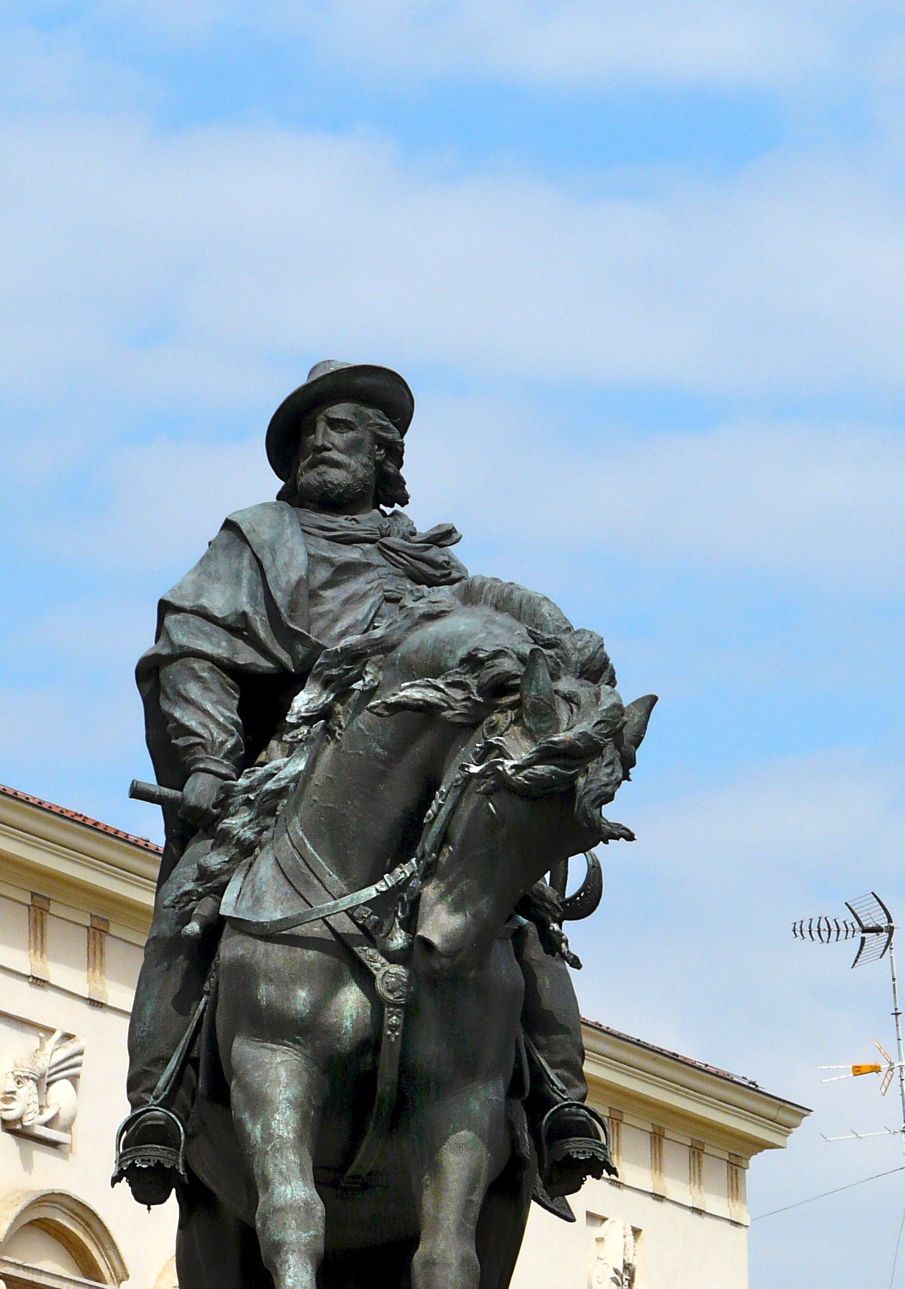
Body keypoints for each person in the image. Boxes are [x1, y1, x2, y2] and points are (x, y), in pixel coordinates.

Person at [117, 360, 613, 1209]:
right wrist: (208, 759)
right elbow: (190, 650)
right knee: (190, 906)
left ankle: (560, 1099)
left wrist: (567, 649)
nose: (319, 443)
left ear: (383, 456)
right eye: (310, 432)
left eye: (340, 429)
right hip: (280, 778)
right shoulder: (256, 542)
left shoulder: (427, 568)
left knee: (518, 907)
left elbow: (499, 624)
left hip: (417, 796)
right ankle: (156, 1103)